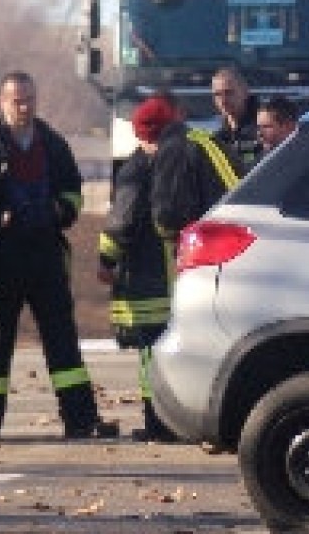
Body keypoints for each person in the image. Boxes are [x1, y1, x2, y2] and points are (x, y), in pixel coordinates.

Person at [0, 72, 118, 440]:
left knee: (62, 340)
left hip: (45, 256)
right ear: (1, 101)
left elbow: (73, 193)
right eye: (17, 100)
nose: (24, 107)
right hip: (0, 259)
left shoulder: (54, 146)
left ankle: (80, 419)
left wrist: (60, 211)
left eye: (29, 100)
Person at [96, 94, 184, 441]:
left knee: (150, 355)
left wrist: (106, 260)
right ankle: (173, 421)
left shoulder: (134, 170)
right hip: (173, 277)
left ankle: (156, 424)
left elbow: (121, 223)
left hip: (145, 279)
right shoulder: (178, 163)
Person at [149, 88, 242, 242]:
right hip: (231, 228)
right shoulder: (204, 140)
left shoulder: (175, 148)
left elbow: (170, 217)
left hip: (212, 238)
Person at [210, 67, 262, 172]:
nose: (223, 100)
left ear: (245, 92)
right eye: (217, 94)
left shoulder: (264, 130)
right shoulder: (218, 138)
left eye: (229, 93)